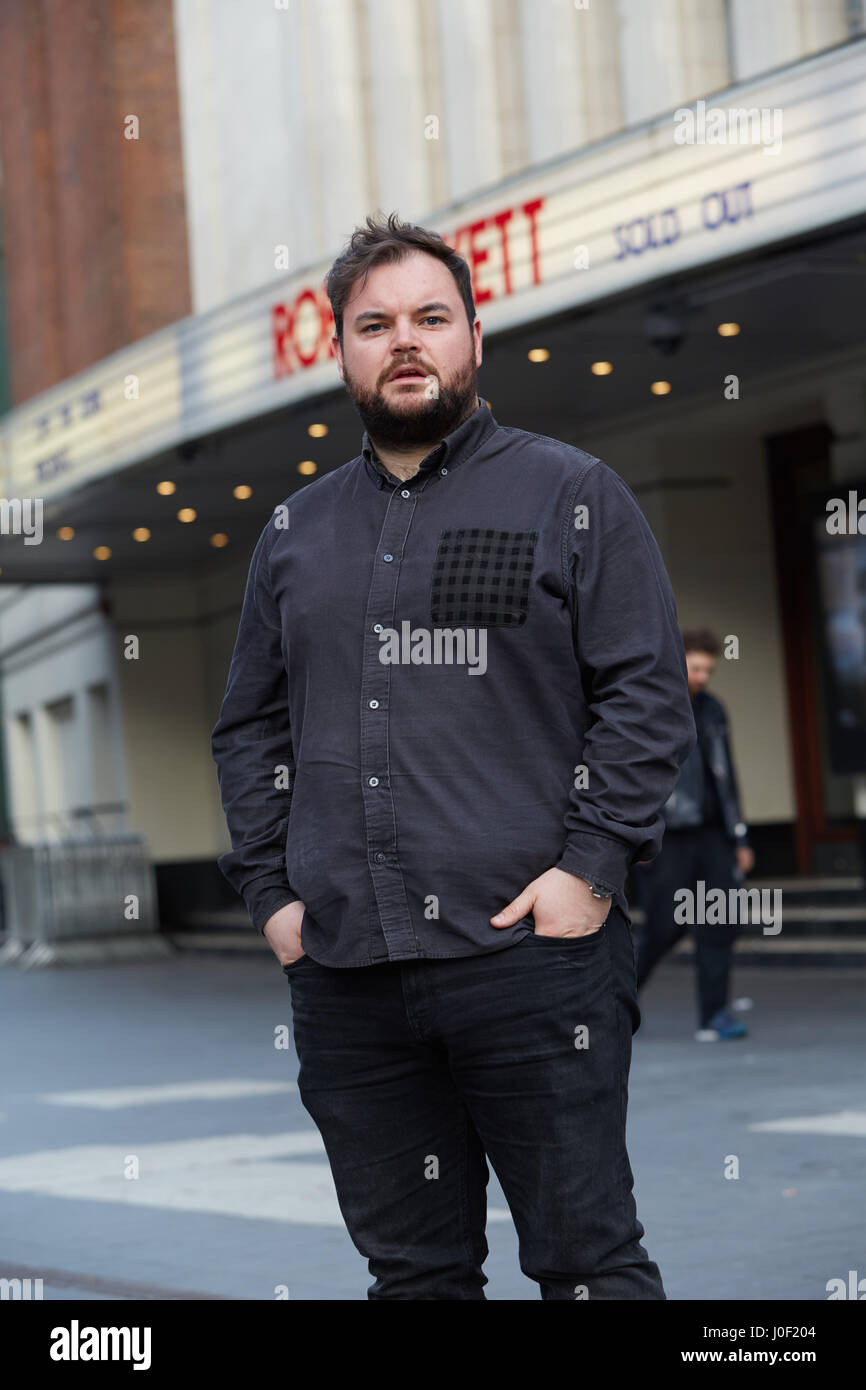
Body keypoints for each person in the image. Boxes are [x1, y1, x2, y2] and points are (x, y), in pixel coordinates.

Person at [211, 211, 696, 1300]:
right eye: (374, 324)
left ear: (475, 335)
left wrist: (588, 871)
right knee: (413, 1274)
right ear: (338, 351)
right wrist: (273, 900)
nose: (405, 341)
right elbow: (249, 725)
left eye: (431, 317)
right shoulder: (292, 532)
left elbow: (643, 691)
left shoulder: (569, 494)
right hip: (347, 977)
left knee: (584, 1262)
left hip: (529, 957)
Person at [632, 628, 755, 1041]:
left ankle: (714, 1015)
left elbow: (727, 777)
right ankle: (615, 1003)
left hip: (714, 835)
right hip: (670, 836)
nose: (702, 675)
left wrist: (740, 838)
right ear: (677, 659)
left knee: (720, 921)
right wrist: (639, 836)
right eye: (696, 666)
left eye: (709, 669)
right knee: (664, 926)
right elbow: (638, 774)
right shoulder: (653, 707)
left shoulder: (714, 710)